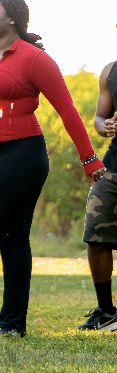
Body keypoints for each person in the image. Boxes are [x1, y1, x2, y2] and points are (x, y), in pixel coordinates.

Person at [0, 0, 104, 337]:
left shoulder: (35, 60)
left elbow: (67, 110)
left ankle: (12, 324)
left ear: (12, 18)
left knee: (12, 236)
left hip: (21, 152)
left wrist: (89, 158)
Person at [79, 56, 117, 330]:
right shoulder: (110, 71)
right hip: (113, 165)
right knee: (95, 235)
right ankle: (105, 311)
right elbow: (99, 117)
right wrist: (104, 127)